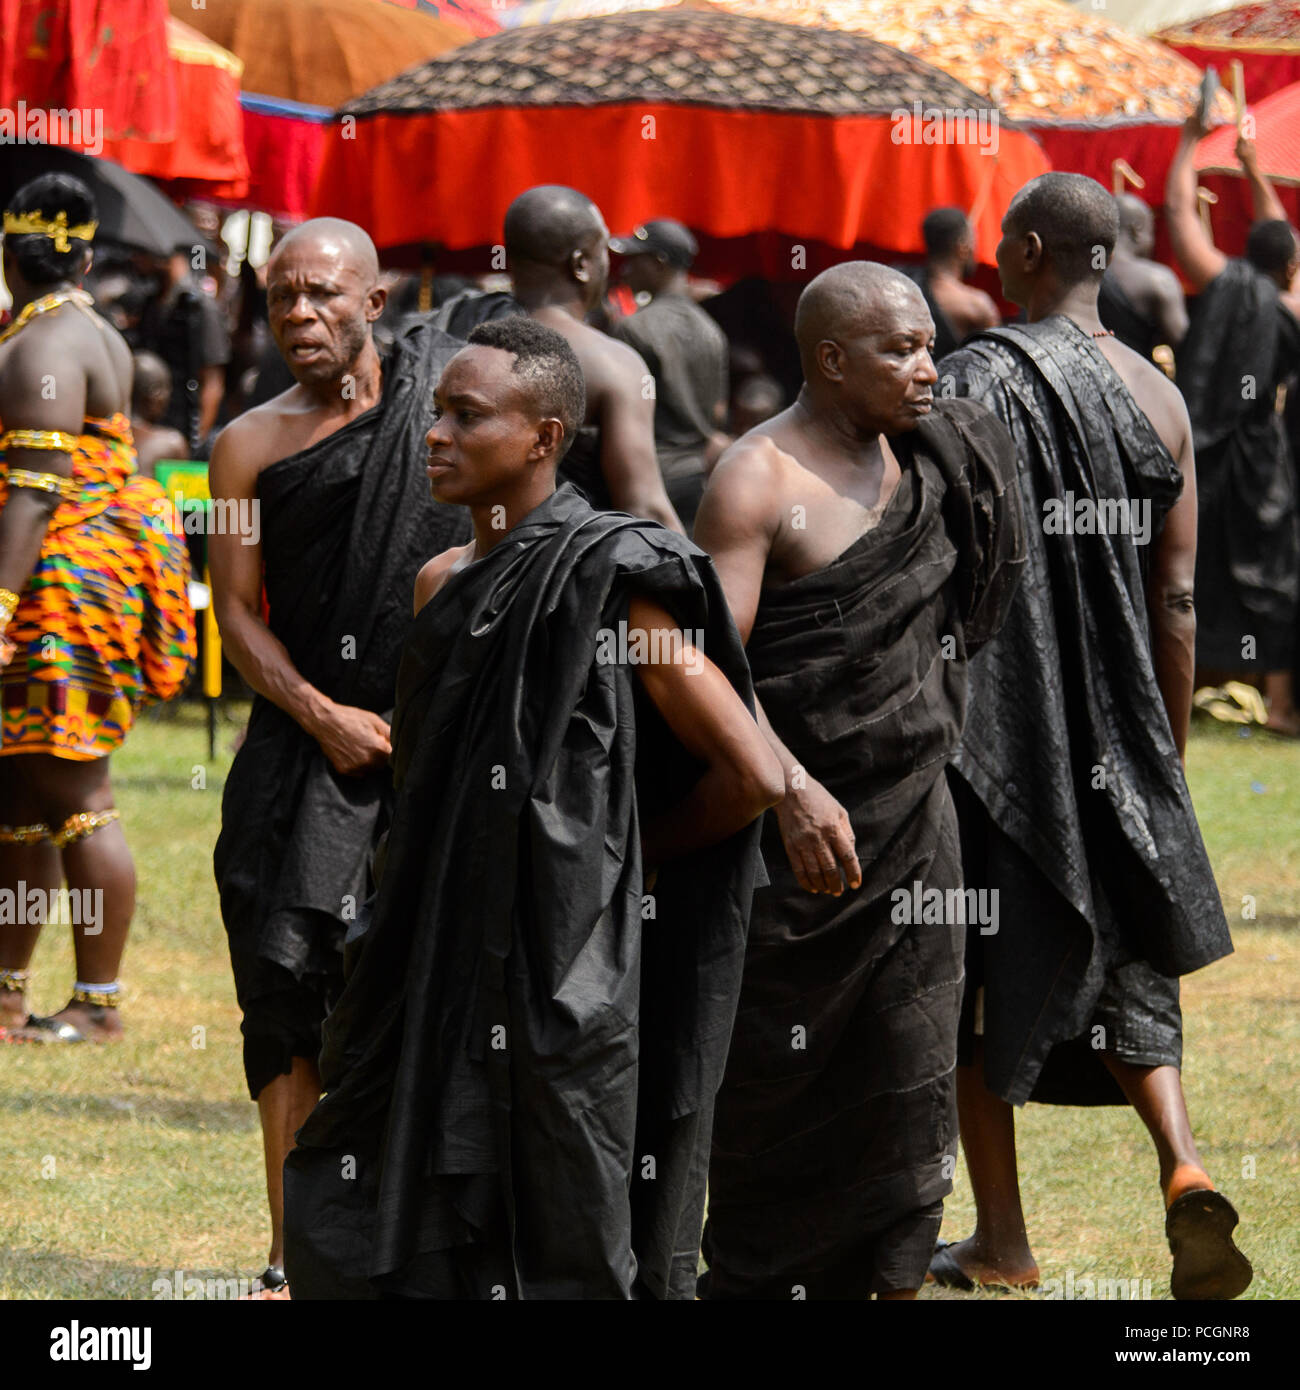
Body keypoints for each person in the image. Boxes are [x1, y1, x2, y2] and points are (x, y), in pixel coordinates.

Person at [282, 316, 782, 1299]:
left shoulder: (608, 579)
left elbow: (752, 772)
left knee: (562, 1205)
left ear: (546, 438)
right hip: (437, 943)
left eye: (468, 417)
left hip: (567, 960)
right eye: (436, 414)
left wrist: (631, 859)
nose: (435, 435)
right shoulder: (439, 582)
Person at [933, 171, 1249, 1301]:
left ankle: (1003, 1241)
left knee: (978, 972)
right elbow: (1176, 598)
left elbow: (937, 564)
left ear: (1022, 252)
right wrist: (1158, 750)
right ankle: (1182, 1163)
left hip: (997, 727)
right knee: (1125, 951)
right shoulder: (1158, 400)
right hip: (1122, 719)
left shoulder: (966, 377)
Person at [694, 262, 1025, 1300]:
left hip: (913, 827)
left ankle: (891, 1280)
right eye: (900, 349)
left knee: (907, 1073)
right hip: (790, 852)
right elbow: (704, 664)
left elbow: (967, 615)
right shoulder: (759, 479)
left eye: (930, 345)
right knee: (775, 1085)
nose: (929, 369)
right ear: (831, 359)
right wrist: (787, 787)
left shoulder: (936, 461)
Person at [208, 217, 469, 1299]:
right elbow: (232, 608)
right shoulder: (244, 444)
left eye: (321, 294)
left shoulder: (443, 422)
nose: (300, 316)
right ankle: (289, 1249)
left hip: (439, 743)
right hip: (303, 744)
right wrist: (323, 715)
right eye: (280, 299)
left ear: (375, 302)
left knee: (430, 992)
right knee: (285, 984)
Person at [0, 174, 194, 1044]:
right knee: (22, 784)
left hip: (61, 590)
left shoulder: (45, 346)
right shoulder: (90, 331)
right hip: (73, 580)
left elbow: (33, 495)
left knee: (74, 788)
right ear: (82, 252)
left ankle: (99, 1004)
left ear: (10, 254)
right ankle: (8, 991)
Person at [435, 185, 684, 532]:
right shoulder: (611, 363)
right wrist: (697, 579)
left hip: (460, 563)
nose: (610, 265)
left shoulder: (460, 340)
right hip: (563, 574)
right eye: (604, 252)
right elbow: (644, 507)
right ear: (581, 264)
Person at [1167, 117, 1300, 735]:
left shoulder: (1224, 281)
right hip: (1263, 458)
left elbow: (1178, 216)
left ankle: (1186, 689)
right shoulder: (1290, 304)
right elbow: (1284, 243)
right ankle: (1277, 706)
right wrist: (1253, 168)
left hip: (1204, 452)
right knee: (1274, 571)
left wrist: (1192, 141)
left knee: (1188, 569)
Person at [609, 219, 730, 532]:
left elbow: (619, 412)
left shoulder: (634, 328)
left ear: (659, 263)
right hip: (697, 477)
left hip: (647, 481)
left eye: (634, 260)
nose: (624, 270)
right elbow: (718, 410)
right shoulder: (712, 331)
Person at [136, 239, 231, 457]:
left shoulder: (200, 308)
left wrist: (196, 443)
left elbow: (213, 382)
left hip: (183, 427)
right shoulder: (152, 302)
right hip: (152, 425)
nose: (137, 259)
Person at [1098, 194, 1189, 359]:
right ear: (1136, 230)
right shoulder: (1159, 280)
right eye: (1152, 232)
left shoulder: (1079, 271)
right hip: (1134, 377)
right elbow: (1184, 343)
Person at [903, 207, 1000, 360]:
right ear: (962, 247)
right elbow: (993, 366)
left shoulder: (902, 289)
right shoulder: (977, 306)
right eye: (973, 242)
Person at [129, 351, 188, 477]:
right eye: (167, 389)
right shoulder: (172, 443)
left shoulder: (107, 436)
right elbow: (179, 495)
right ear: (155, 395)